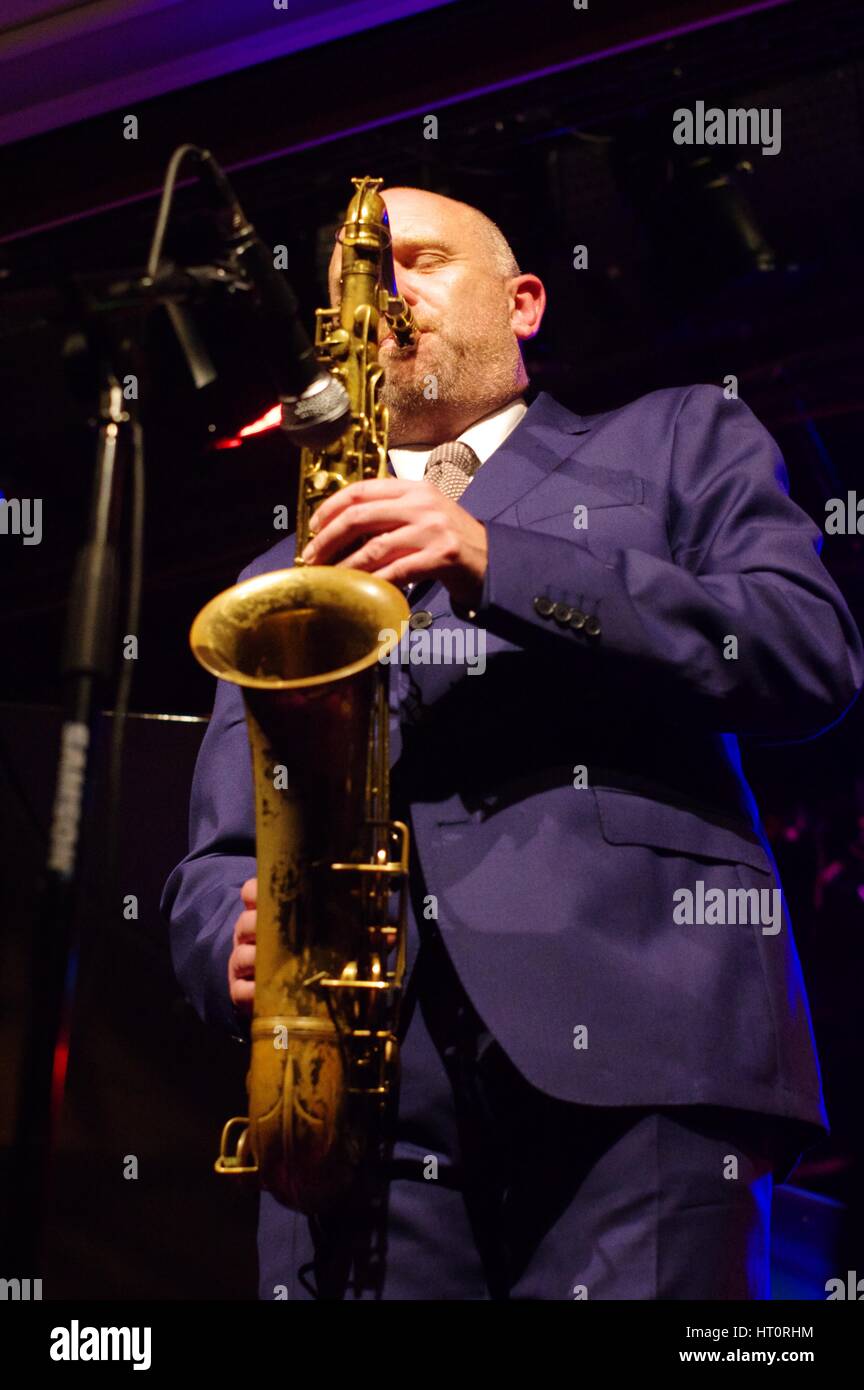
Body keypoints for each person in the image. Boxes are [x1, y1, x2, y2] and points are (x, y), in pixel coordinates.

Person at [161, 186, 864, 1300]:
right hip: (358, 1107)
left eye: (422, 260)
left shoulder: (679, 435)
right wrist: (227, 943)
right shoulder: (276, 577)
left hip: (647, 1074)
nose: (389, 293)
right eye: (365, 279)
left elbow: (804, 653)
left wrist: (496, 557)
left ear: (523, 302)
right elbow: (214, 860)